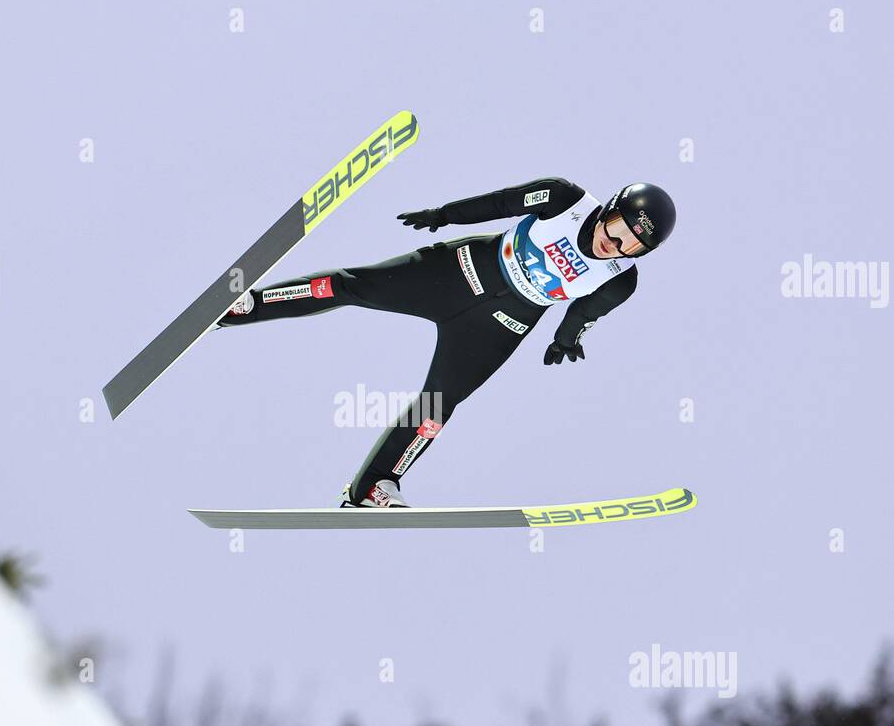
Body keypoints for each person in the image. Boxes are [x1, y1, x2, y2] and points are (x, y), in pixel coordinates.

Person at [214, 178, 676, 507]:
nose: (611, 246)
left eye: (629, 248)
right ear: (608, 208)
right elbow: (502, 202)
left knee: (438, 405)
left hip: (503, 323)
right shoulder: (564, 198)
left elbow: (586, 311)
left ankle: (374, 488)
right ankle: (249, 306)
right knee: (353, 286)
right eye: (615, 231)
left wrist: (565, 338)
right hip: (458, 272)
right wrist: (445, 215)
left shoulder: (619, 281)